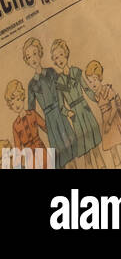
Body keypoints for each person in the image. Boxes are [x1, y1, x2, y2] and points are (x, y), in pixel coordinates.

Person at [50, 38, 105, 170]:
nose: (60, 59)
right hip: (75, 117)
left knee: (96, 149)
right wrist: (68, 112)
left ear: (67, 54)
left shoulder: (76, 71)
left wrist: (97, 97)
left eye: (61, 55)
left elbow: (87, 89)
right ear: (54, 61)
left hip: (85, 111)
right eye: (56, 58)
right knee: (86, 151)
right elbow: (61, 106)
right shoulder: (58, 83)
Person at [23, 38, 76, 171]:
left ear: (40, 53)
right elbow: (31, 110)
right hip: (50, 121)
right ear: (27, 61)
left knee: (71, 149)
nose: (33, 59)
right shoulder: (31, 85)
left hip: (60, 112)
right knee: (60, 155)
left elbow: (62, 88)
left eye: (35, 53)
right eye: (29, 57)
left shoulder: (51, 72)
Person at [83, 60, 121, 170]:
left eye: (95, 79)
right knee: (113, 152)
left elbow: (114, 107)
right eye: (89, 81)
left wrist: (109, 123)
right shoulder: (96, 96)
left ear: (100, 78)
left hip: (113, 121)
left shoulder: (107, 89)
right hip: (105, 123)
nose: (93, 83)